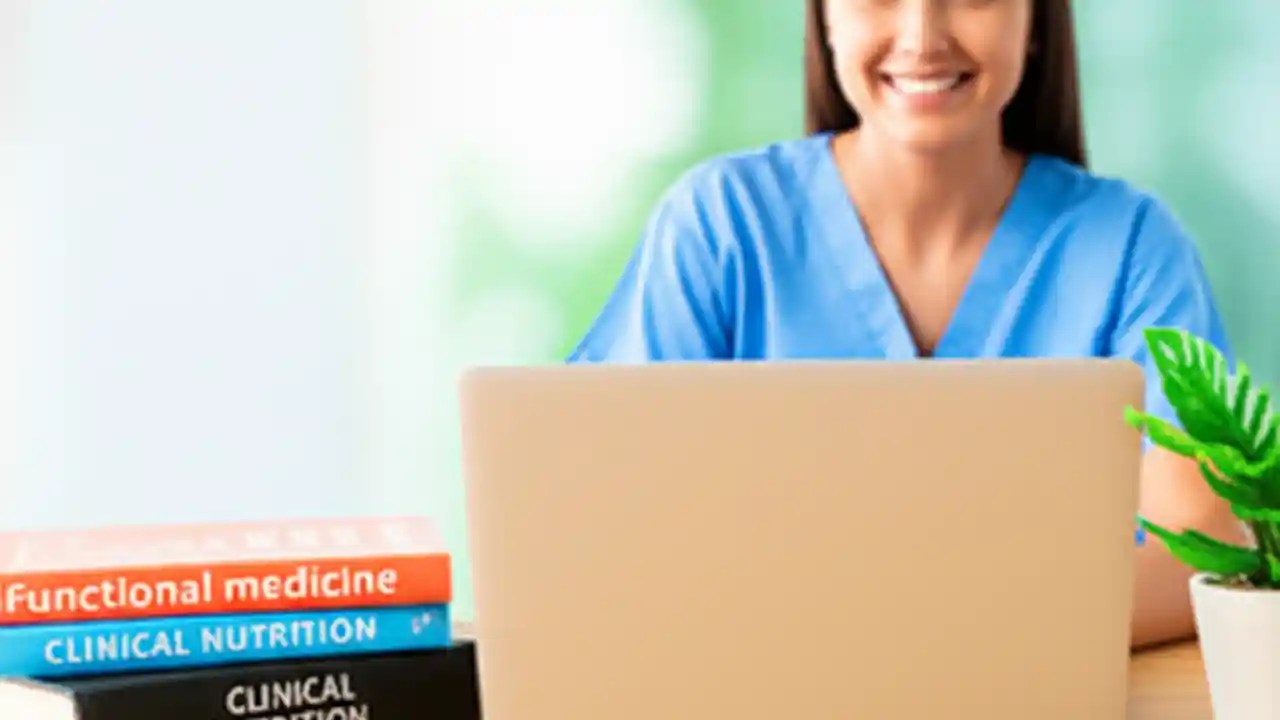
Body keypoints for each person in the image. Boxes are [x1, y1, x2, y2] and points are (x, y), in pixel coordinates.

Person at [566, 0, 1242, 648]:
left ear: (1035, 19)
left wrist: (912, 631)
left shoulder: (1130, 249)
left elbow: (1202, 552)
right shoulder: (720, 229)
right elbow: (612, 533)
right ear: (824, 17)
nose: (922, 35)